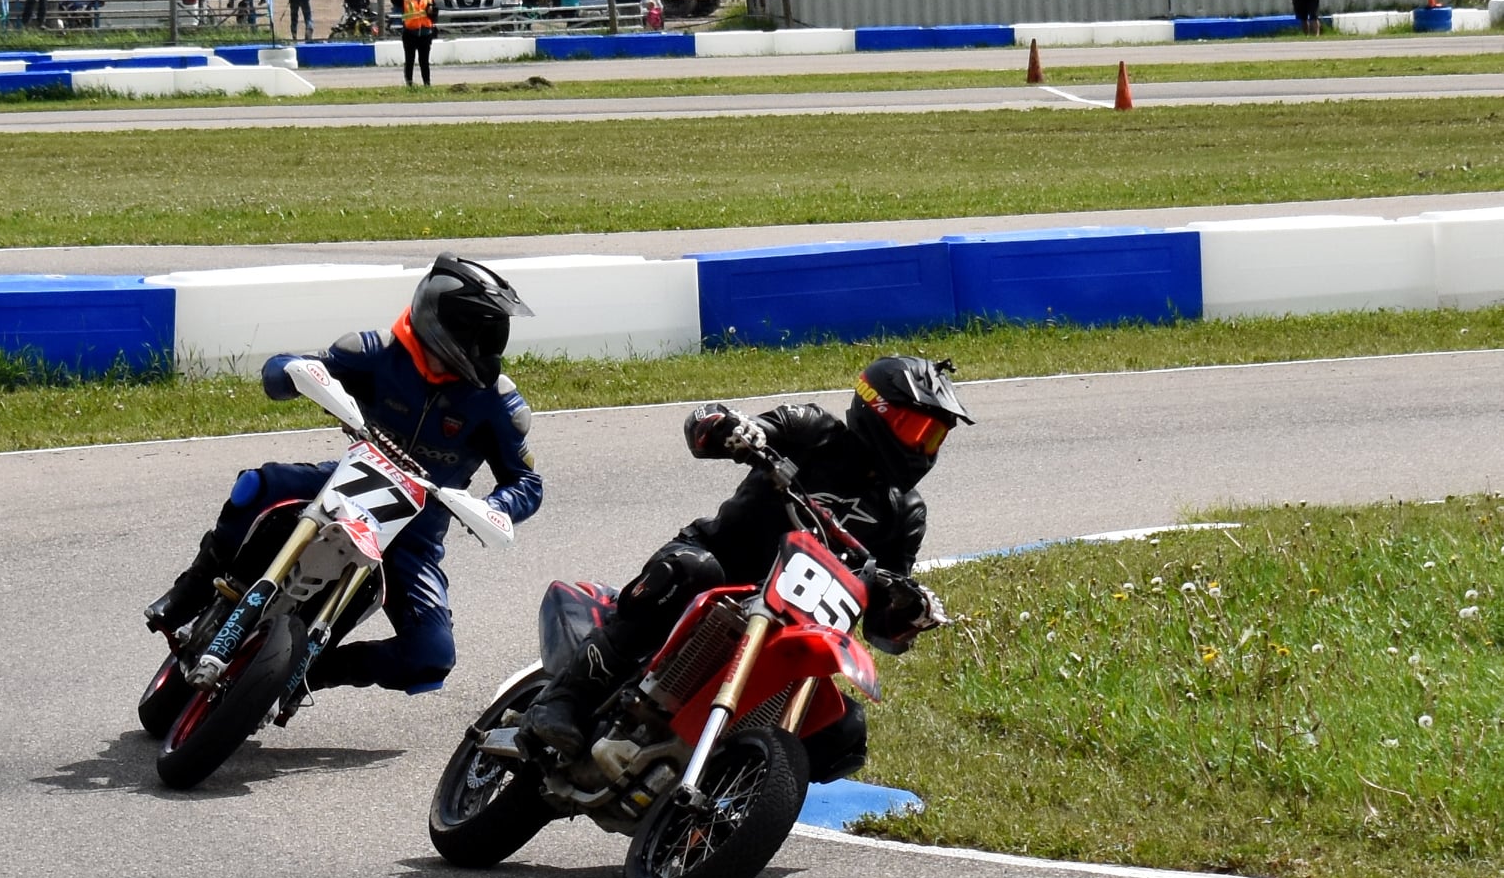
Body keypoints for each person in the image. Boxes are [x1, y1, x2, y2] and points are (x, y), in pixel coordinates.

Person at [520, 355, 972, 779]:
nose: (922, 446)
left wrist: (906, 610)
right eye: (916, 429)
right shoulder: (813, 430)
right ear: (876, 410)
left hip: (790, 623)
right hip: (721, 565)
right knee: (690, 571)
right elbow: (705, 425)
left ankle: (725, 798)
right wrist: (731, 428)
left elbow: (882, 621)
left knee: (844, 732)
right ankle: (563, 699)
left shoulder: (905, 512)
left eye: (934, 436)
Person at [144, 254, 544, 697]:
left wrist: (494, 507)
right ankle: (192, 589)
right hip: (343, 485)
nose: (486, 349)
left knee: (431, 655)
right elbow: (283, 372)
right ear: (443, 319)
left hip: (413, 534)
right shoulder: (376, 354)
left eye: (493, 336)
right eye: (479, 332)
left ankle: (310, 671)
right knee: (258, 485)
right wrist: (294, 370)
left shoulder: (499, 405)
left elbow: (527, 483)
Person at [399, 0, 435, 87]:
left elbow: (435, 11)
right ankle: (409, 83)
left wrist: (432, 11)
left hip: (425, 33)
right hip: (410, 33)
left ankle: (427, 83)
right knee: (410, 60)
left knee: (424, 61)